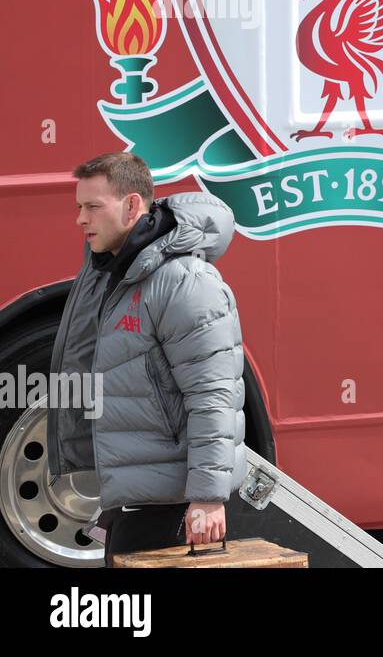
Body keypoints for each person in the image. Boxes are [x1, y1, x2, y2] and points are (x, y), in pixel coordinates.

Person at [49, 152, 246, 566]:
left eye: (92, 206)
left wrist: (207, 498)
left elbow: (214, 396)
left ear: (132, 206)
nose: (80, 219)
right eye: (78, 207)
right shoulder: (115, 274)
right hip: (134, 498)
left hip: (172, 507)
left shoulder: (185, 282)